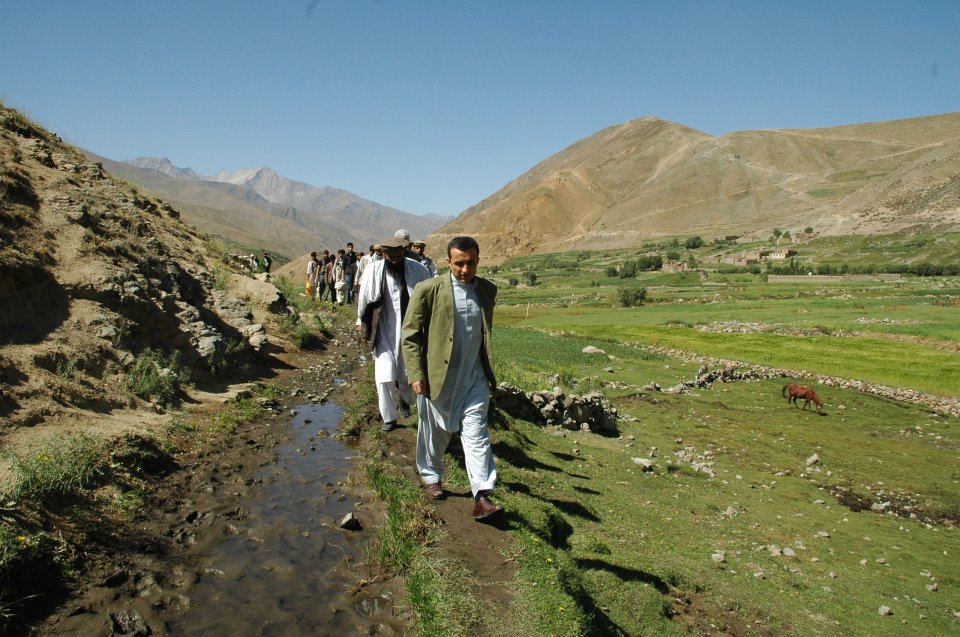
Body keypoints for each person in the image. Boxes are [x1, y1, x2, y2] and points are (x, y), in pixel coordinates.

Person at [401, 236, 503, 521]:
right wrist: (416, 373)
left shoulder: (487, 290)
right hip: (438, 376)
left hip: (474, 376)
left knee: (477, 434)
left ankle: (482, 495)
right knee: (434, 432)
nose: (465, 269)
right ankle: (431, 476)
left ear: (478, 261)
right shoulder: (428, 290)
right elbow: (410, 334)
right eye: (459, 263)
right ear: (448, 262)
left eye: (471, 263)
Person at [357, 237, 431, 432]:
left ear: (404, 253)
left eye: (399, 257)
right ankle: (389, 418)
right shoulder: (373, 271)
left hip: (410, 334)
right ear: (384, 254)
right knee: (384, 376)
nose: (395, 260)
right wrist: (361, 322)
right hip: (382, 332)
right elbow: (363, 298)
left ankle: (407, 401)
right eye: (391, 257)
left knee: (408, 375)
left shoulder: (418, 270)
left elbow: (429, 299)